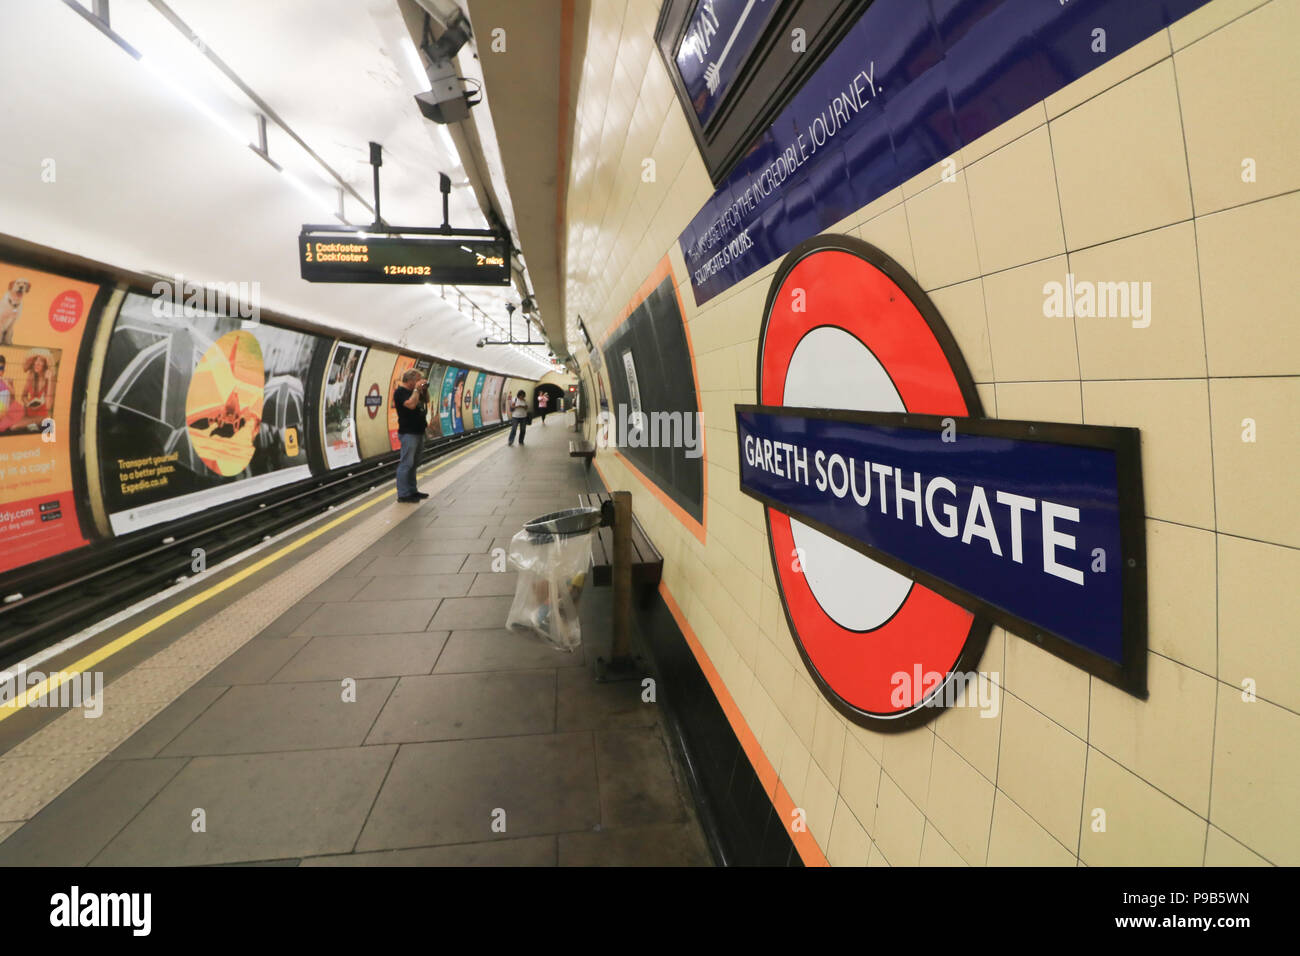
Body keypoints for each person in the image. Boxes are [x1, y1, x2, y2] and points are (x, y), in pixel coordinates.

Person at [393, 369, 430, 501]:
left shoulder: (415, 391)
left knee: (414, 464)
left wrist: (423, 390)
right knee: (406, 464)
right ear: (410, 380)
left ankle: (412, 490)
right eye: (418, 379)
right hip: (408, 433)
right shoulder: (400, 392)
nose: (420, 381)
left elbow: (426, 400)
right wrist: (416, 390)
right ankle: (403, 494)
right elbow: (411, 405)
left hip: (418, 431)